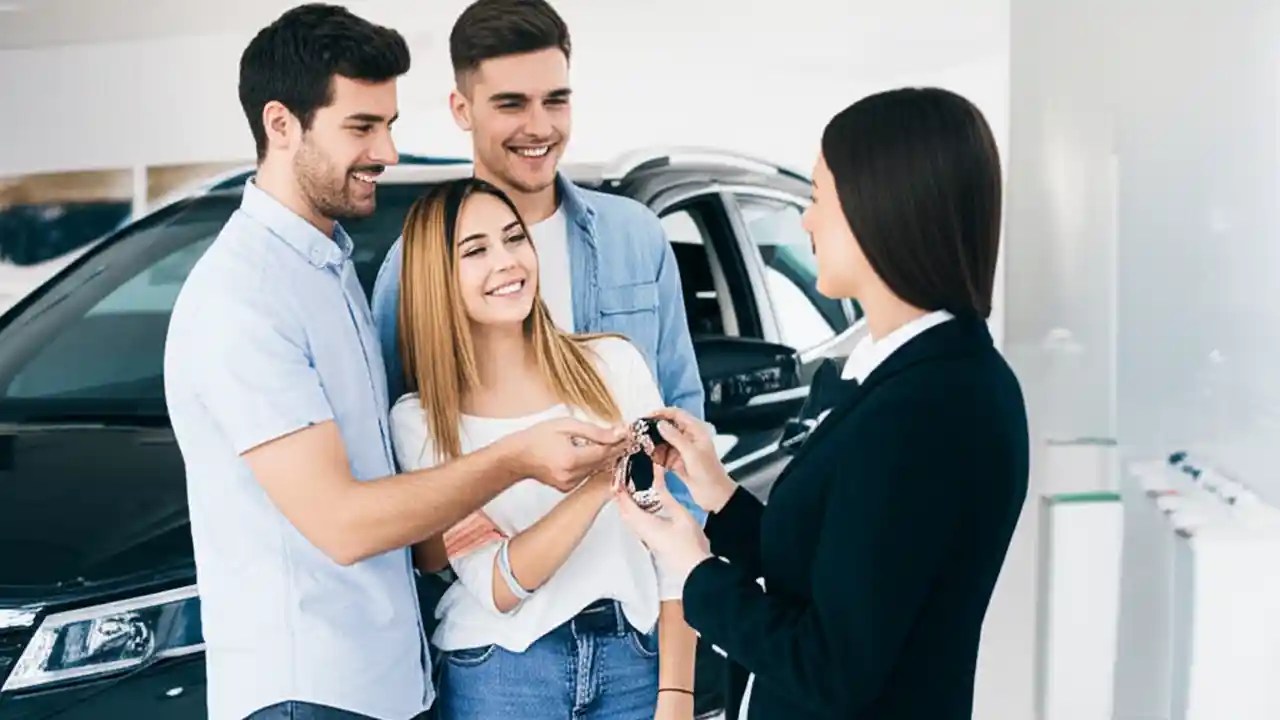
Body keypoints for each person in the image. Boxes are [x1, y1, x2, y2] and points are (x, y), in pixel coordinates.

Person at [163, 6, 629, 720]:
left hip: (379, 685)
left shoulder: (323, 263)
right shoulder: (244, 298)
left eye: (389, 124)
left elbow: (394, 497)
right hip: (308, 696)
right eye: (361, 127)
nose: (386, 150)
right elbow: (344, 523)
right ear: (281, 124)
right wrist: (516, 459)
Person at [614, 87, 1030, 720]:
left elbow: (829, 668)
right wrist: (719, 495)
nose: (805, 221)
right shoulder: (924, 378)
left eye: (816, 198)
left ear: (880, 207)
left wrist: (694, 569)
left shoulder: (928, 411)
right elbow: (836, 571)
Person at [370, 0, 706, 524]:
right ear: (462, 109)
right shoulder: (412, 268)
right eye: (511, 104)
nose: (539, 126)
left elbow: (681, 412)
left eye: (555, 100)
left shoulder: (635, 236)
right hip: (501, 589)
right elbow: (405, 458)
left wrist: (683, 572)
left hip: (640, 582)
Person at [387, 177, 698, 719]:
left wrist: (676, 695)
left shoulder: (614, 367)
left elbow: (673, 546)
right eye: (476, 250)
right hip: (500, 677)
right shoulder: (421, 422)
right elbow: (497, 584)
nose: (507, 261)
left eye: (514, 238)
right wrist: (601, 481)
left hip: (634, 665)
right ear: (435, 279)